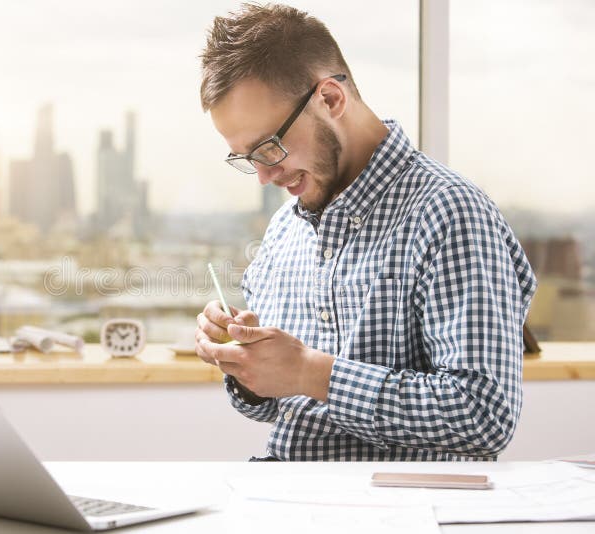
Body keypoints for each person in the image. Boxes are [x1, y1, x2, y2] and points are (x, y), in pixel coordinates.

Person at [195, 3, 537, 461]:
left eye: (269, 147)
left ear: (331, 99)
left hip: (404, 500)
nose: (263, 176)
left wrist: (311, 373)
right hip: (285, 491)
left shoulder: (449, 212)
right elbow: (277, 407)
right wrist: (247, 364)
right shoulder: (285, 230)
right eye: (246, 158)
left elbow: (484, 416)